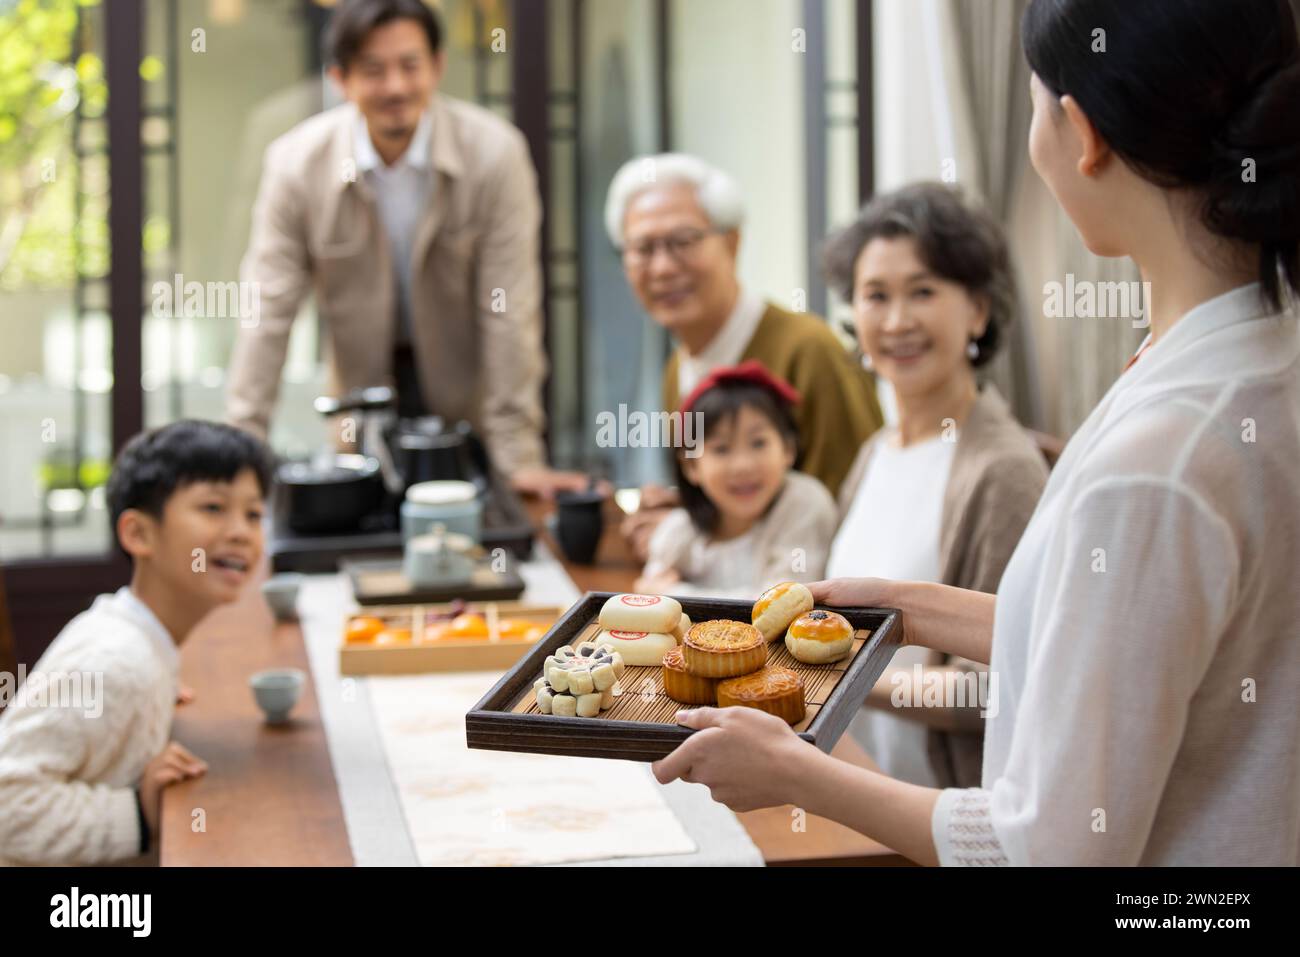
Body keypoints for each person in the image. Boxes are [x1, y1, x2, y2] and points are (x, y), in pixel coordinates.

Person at [651, 0, 1300, 865]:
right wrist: (909, 610)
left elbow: (1050, 848)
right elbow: (1119, 635)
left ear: (1080, 132)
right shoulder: (1244, 359)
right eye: (875, 296)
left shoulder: (1160, 457)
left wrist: (801, 773)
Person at [225, 0, 586, 498]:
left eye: (410, 65)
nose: (395, 86)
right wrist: (243, 452)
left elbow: (510, 312)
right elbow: (267, 312)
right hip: (359, 400)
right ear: (340, 78)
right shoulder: (296, 166)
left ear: (437, 66)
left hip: (467, 399)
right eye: (373, 70)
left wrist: (517, 455)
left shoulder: (495, 154)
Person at [822, 182, 1048, 789]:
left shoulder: (1003, 470)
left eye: (923, 291)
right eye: (875, 296)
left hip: (936, 822)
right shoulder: (875, 454)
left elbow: (1004, 686)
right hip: (847, 804)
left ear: (977, 308)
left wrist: (845, 674)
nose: (897, 321)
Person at [0, 421, 275, 864]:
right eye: (212, 507)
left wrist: (157, 692)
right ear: (139, 534)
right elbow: (7, 806)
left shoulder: (142, 647)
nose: (241, 531)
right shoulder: (116, 663)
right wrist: (138, 813)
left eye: (254, 514)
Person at [605, 154, 883, 557]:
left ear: (732, 242)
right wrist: (686, 514)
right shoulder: (677, 369)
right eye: (643, 248)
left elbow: (850, 517)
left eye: (683, 241)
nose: (662, 267)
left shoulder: (811, 352)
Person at [635, 362, 836, 598]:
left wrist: (675, 593)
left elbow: (785, 602)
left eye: (758, 443)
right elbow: (650, 594)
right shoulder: (679, 531)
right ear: (691, 466)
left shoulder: (804, 505)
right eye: (721, 449)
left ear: (788, 449)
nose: (742, 465)